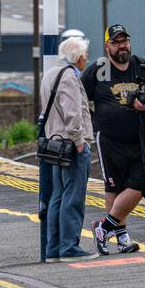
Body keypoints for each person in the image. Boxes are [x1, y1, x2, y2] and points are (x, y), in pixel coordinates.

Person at [82, 22, 145, 255]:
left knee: (140, 185)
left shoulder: (143, 67)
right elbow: (78, 96)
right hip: (109, 140)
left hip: (140, 140)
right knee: (114, 188)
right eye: (116, 42)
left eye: (125, 41)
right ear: (107, 46)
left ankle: (104, 226)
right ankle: (121, 239)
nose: (122, 46)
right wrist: (91, 121)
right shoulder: (97, 70)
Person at [40, 35, 97, 263]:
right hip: (71, 143)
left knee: (57, 195)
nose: (87, 60)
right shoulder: (70, 78)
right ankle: (69, 247)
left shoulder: (51, 74)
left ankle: (53, 249)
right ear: (79, 57)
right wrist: (79, 141)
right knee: (73, 196)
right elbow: (73, 113)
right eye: (85, 56)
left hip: (55, 143)